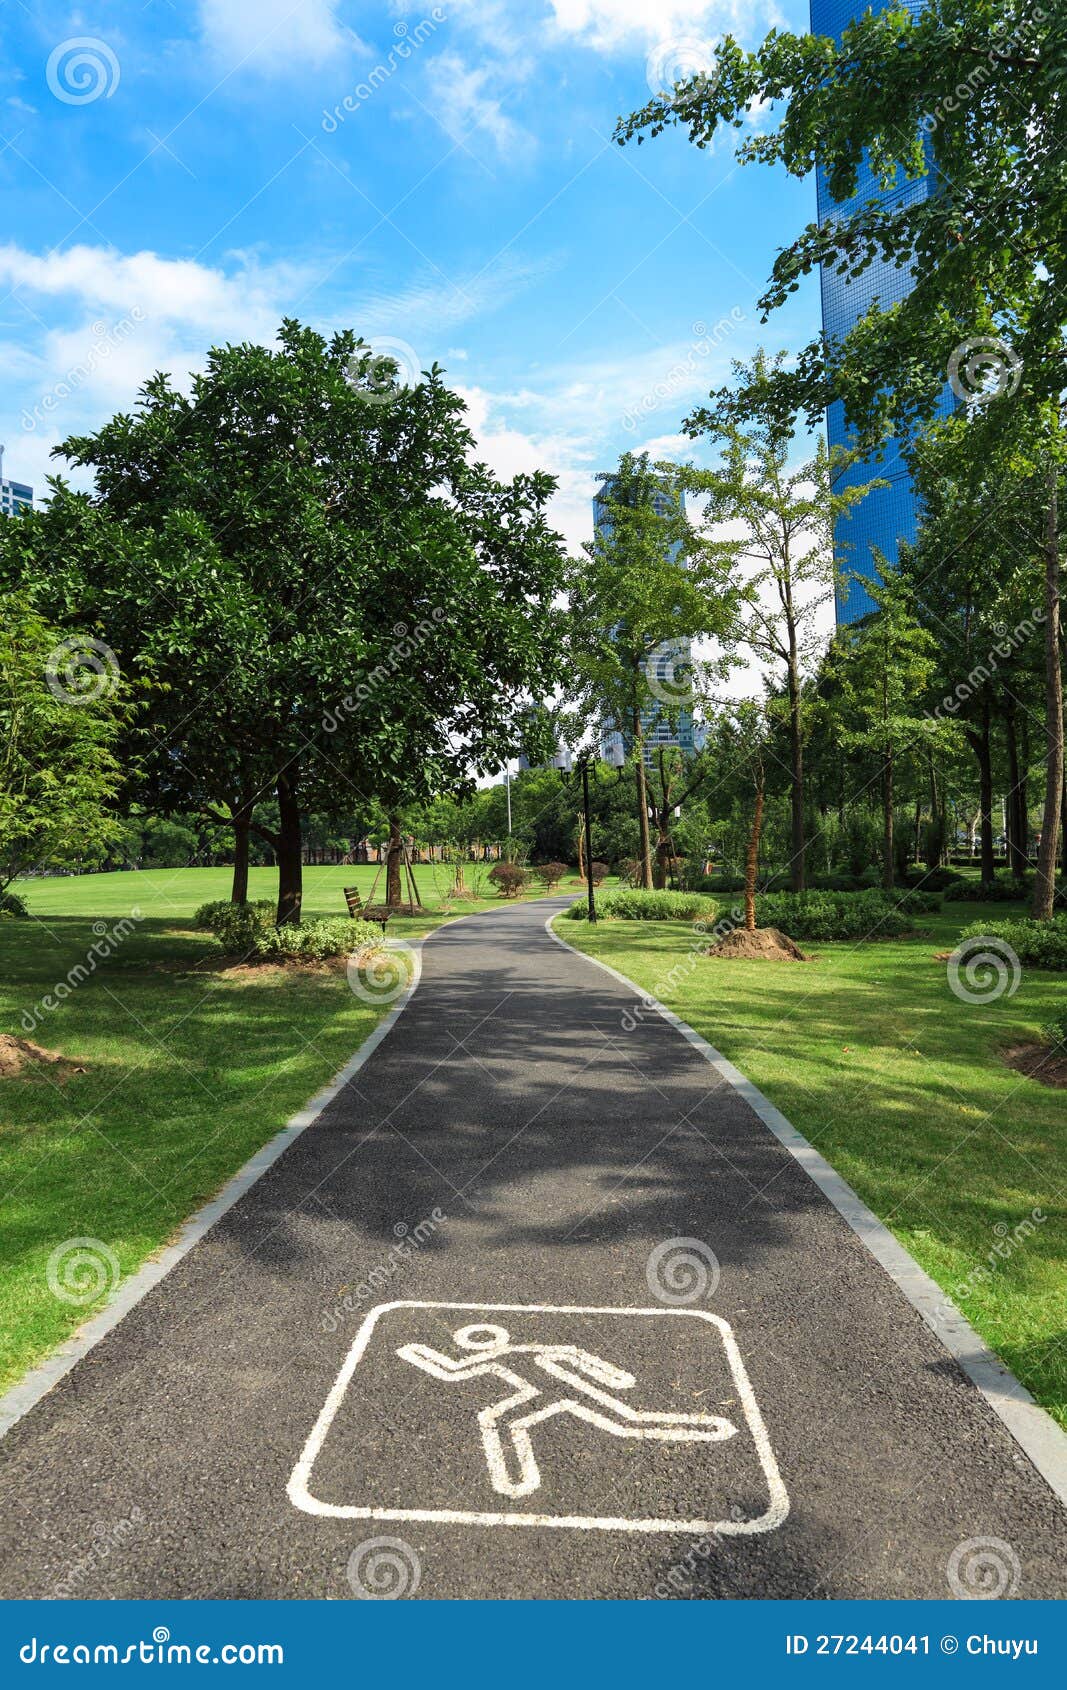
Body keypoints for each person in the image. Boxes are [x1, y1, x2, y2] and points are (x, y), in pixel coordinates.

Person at [397, 1321, 737, 1499]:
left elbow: (453, 1370)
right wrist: (613, 1377)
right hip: (551, 1392)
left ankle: (706, 1427)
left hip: (560, 1389)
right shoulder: (515, 1354)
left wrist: (613, 1377)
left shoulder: (516, 1354)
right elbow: (453, 1370)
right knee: (504, 1420)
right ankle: (516, 1480)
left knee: (624, 1420)